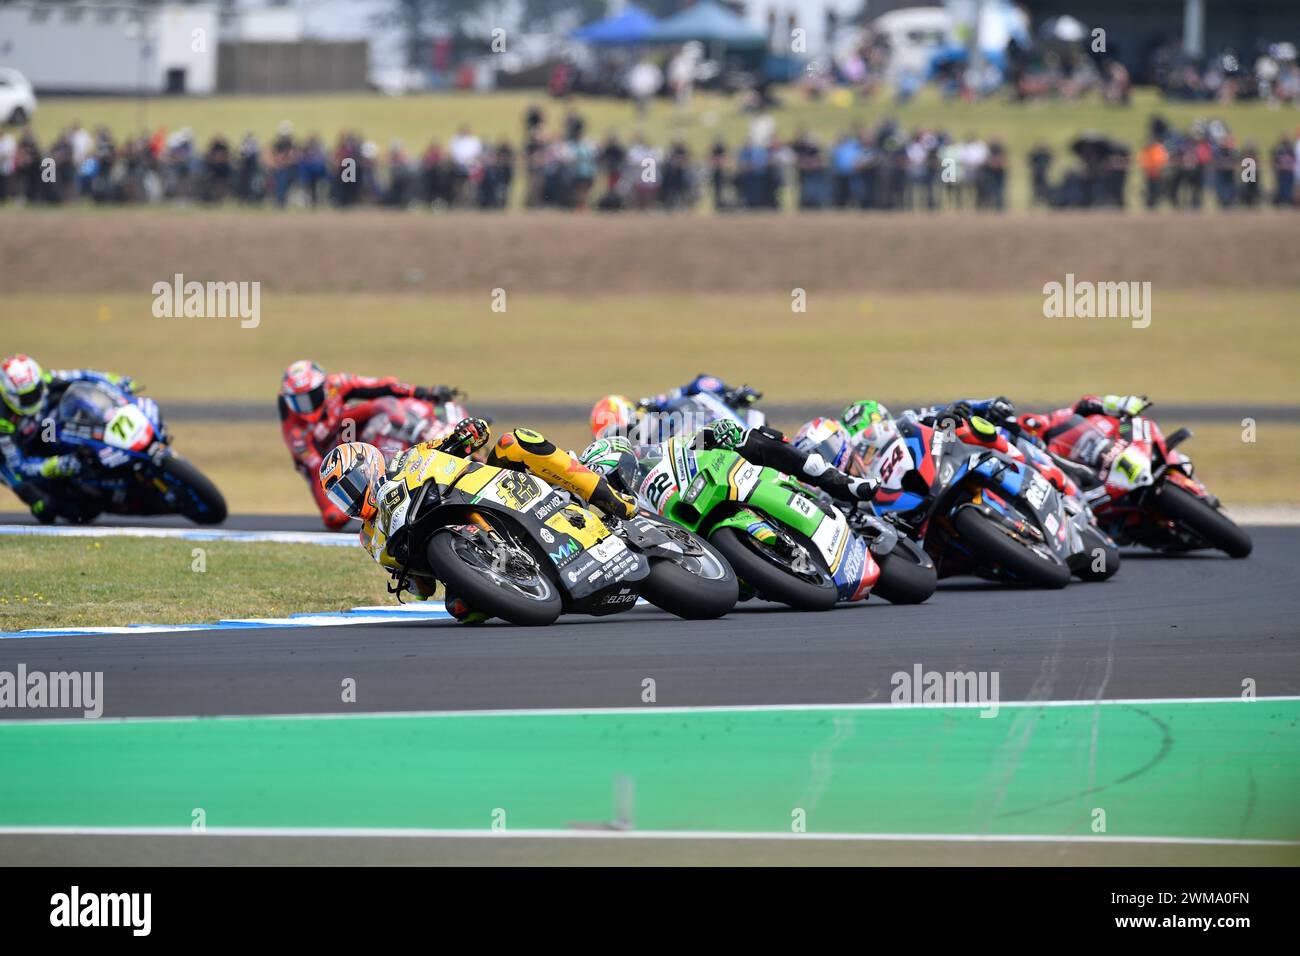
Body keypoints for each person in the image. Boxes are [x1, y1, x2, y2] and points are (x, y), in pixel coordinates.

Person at [320, 419, 637, 621]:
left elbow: (473, 433)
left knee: (516, 441)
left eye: (352, 486)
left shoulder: (408, 458)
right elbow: (423, 588)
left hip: (491, 489)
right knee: (461, 611)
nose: (350, 498)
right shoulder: (369, 537)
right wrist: (412, 580)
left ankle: (611, 499)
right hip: (465, 550)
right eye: (341, 497)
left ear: (370, 466)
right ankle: (532, 580)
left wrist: (465, 433)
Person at [278, 359, 458, 530]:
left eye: (311, 397)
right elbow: (316, 469)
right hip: (332, 462)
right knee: (334, 520)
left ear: (324, 388)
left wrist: (422, 391)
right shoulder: (295, 433)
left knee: (386, 404)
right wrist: (330, 509)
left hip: (346, 426)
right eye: (298, 401)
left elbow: (382, 385)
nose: (306, 406)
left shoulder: (337, 384)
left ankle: (433, 432)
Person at [582, 419, 879, 510]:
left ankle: (837, 481)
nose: (620, 476)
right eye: (612, 476)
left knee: (757, 438)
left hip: (711, 487)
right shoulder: (610, 512)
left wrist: (719, 431)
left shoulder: (655, 453)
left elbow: (690, 441)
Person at [0, 354, 135, 522]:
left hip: (46, 427)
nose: (34, 398)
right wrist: (55, 465)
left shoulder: (45, 379)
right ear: (9, 396)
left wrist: (114, 381)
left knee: (76, 402)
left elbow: (84, 375)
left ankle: (108, 445)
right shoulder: (3, 422)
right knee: (46, 508)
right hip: (18, 455)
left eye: (37, 391)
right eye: (26, 397)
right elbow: (18, 466)